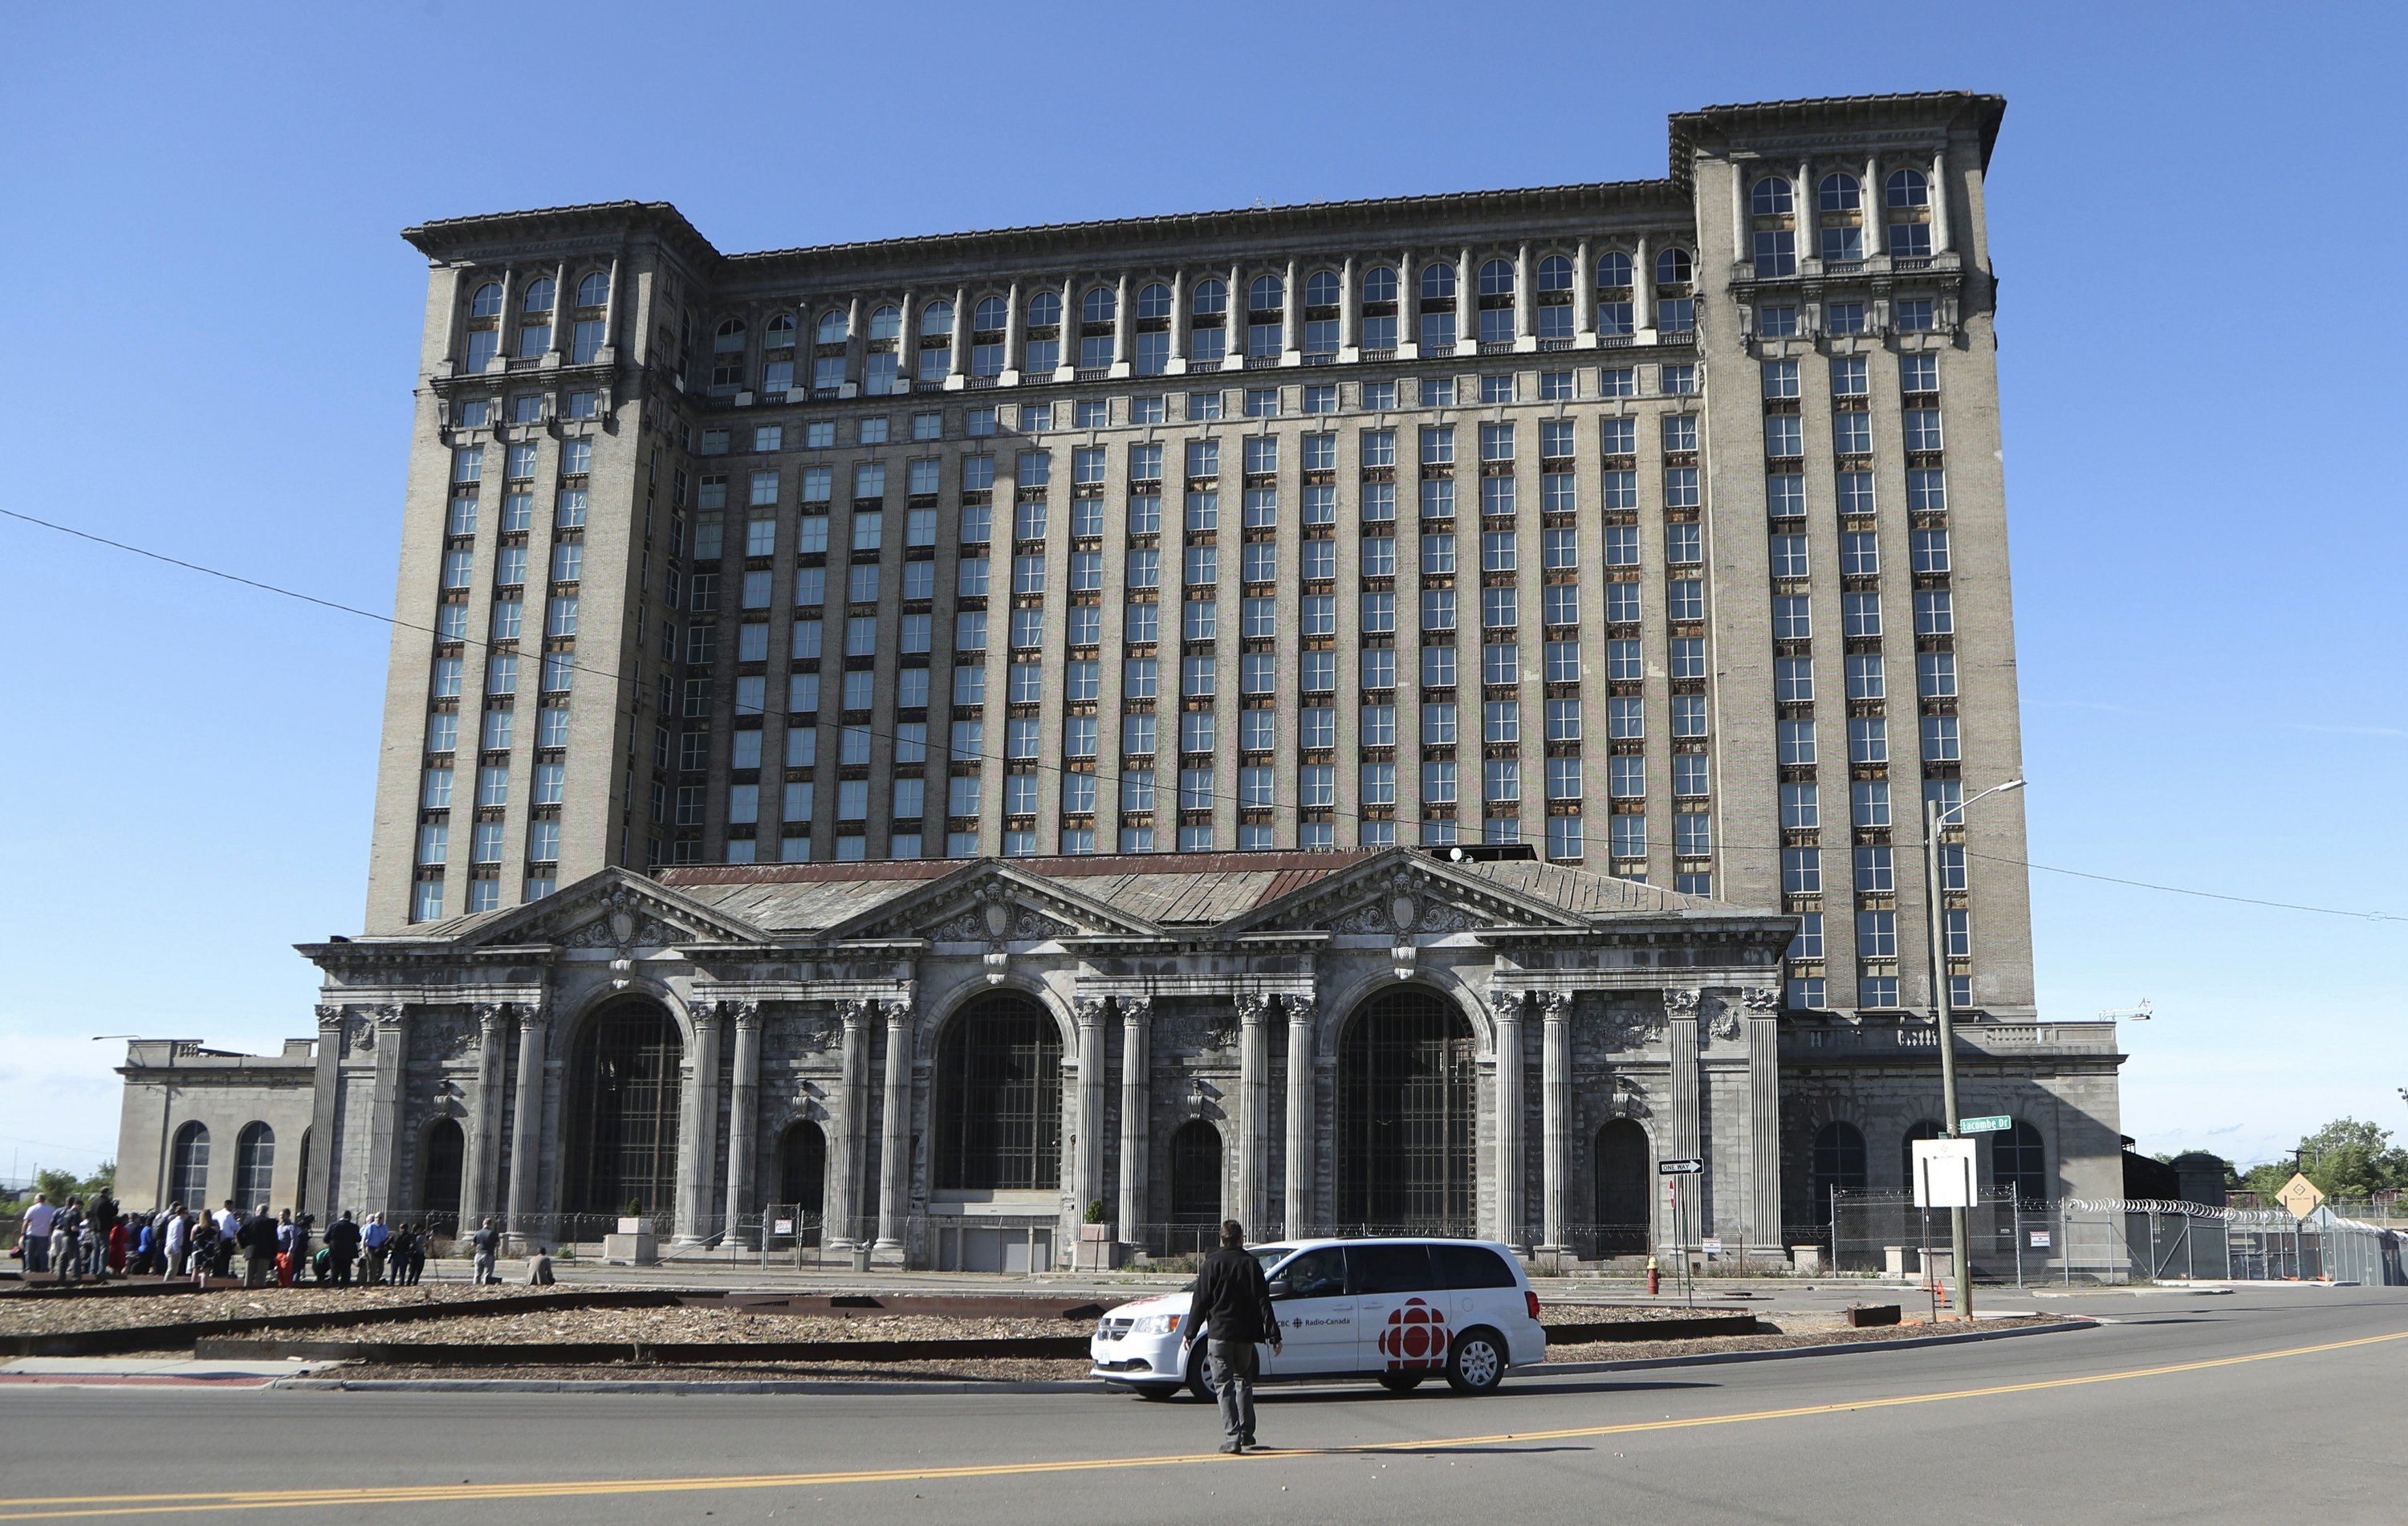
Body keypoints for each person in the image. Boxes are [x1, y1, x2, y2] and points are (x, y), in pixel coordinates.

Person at [1180, 1219, 1283, 1455]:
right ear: (1241, 1239)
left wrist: (1190, 1332)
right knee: (1243, 1380)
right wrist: (1274, 1335)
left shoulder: (1212, 1264)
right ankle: (1247, 1433)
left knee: (1223, 1385)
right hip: (1245, 1335)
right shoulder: (1252, 1265)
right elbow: (1263, 1302)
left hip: (1219, 1334)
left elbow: (1200, 1302)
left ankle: (1232, 1438)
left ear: (1221, 1239)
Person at [238, 1203, 279, 1288]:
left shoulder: (249, 1221)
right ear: (266, 1212)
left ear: (257, 1211)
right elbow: (274, 1239)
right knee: (261, 1278)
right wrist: (274, 1253)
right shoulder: (271, 1223)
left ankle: (247, 1292)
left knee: (248, 1277)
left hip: (250, 1251)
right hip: (265, 1252)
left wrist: (244, 1245)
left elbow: (239, 1233)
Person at [18, 1194, 54, 1276]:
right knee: (43, 1253)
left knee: (29, 1253)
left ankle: (30, 1270)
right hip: (44, 1234)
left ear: (37, 1200)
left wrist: (23, 1234)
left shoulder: (32, 1208)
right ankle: (43, 1270)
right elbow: (52, 1223)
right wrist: (50, 1233)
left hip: (32, 1234)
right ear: (44, 1200)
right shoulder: (51, 1209)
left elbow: (26, 1223)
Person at [323, 1211, 360, 1287]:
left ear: (341, 1216)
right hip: (348, 1254)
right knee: (346, 1272)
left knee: (334, 1272)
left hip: (334, 1253)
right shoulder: (354, 1227)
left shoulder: (332, 1225)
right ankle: (345, 1288)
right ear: (350, 1217)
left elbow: (325, 1239)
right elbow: (358, 1239)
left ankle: (333, 1287)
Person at [160, 1205, 189, 1284]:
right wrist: (176, 1250)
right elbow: (175, 1237)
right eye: (186, 1213)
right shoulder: (179, 1223)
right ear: (181, 1214)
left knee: (173, 1269)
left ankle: (168, 1283)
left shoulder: (173, 1221)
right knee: (172, 1269)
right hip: (174, 1247)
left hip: (169, 1246)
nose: (187, 1215)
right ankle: (166, 1284)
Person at [360, 1212, 390, 1287]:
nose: (378, 1219)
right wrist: (364, 1251)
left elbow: (386, 1238)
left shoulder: (384, 1227)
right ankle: (370, 1284)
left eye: (380, 1218)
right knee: (372, 1269)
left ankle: (375, 1282)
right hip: (371, 1249)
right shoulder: (370, 1227)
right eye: (376, 1218)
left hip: (381, 1250)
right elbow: (364, 1239)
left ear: (383, 1218)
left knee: (381, 1269)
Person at [214, 1202, 241, 1279]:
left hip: (217, 1238)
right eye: (232, 1206)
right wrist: (238, 1222)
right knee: (225, 1258)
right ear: (228, 1206)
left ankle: (216, 1273)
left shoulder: (216, 1214)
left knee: (217, 1257)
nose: (233, 1208)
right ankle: (223, 1274)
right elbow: (235, 1227)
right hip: (226, 1238)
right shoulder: (228, 1215)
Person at [470, 1218, 499, 1285]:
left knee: (477, 1274)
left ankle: (475, 1286)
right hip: (488, 1255)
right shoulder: (493, 1233)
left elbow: (473, 1244)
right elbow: (498, 1244)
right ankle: (486, 1287)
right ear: (491, 1224)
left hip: (478, 1255)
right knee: (487, 1274)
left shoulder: (477, 1233)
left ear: (483, 1224)